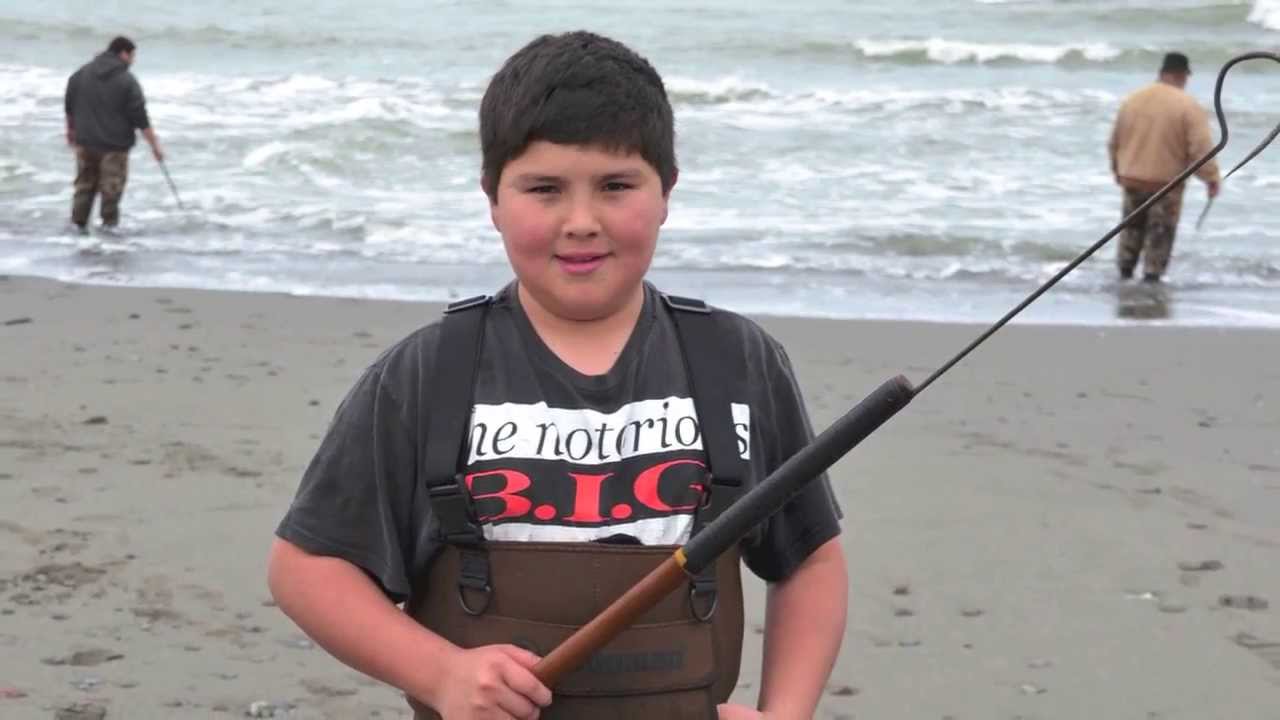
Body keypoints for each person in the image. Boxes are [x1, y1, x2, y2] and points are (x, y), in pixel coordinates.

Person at [267, 30, 848, 720]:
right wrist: (442, 673)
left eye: (615, 186)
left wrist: (786, 713)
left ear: (667, 192)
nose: (580, 222)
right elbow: (305, 569)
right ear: (493, 198)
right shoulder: (426, 372)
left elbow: (810, 558)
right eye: (544, 189)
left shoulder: (737, 362)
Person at [1107, 51, 1221, 283]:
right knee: (1160, 234)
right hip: (1166, 183)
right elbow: (1200, 148)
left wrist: (1117, 170)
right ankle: (1151, 285)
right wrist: (1211, 178)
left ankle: (1124, 277)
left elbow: (1114, 141)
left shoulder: (1133, 99)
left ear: (1162, 72)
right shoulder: (1188, 105)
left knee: (1131, 229)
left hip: (1132, 177)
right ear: (1182, 75)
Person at [63, 35, 165, 232]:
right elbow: (140, 117)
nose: (133, 61)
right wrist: (155, 147)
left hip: (85, 143)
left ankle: (77, 229)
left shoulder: (81, 74)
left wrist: (71, 132)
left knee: (84, 188)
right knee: (111, 191)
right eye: (132, 56)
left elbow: (69, 106)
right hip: (114, 146)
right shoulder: (127, 81)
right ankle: (109, 233)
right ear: (123, 53)